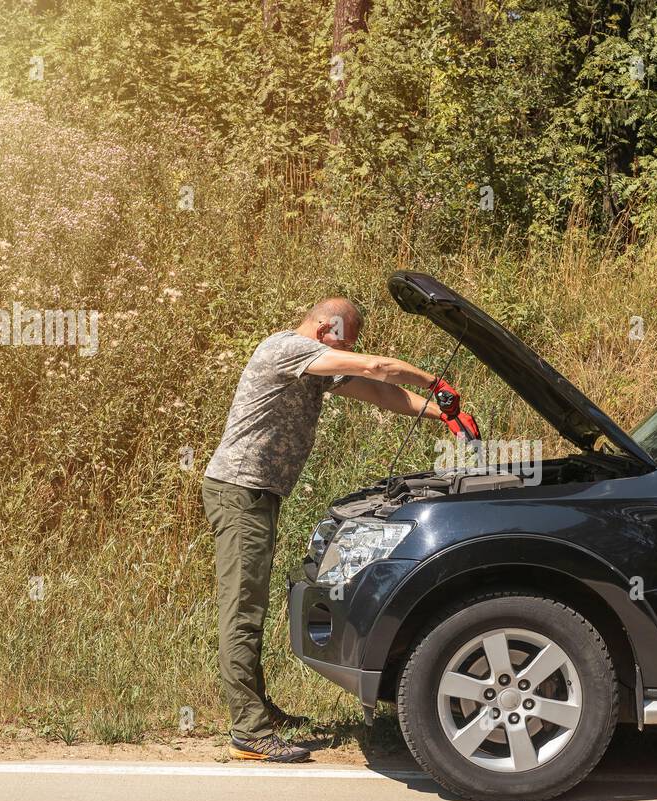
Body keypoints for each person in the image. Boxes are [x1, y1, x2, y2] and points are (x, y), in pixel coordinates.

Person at [202, 298, 479, 761]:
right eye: (344, 340)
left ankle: (257, 712)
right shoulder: (285, 348)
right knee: (242, 607)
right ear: (323, 326)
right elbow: (377, 367)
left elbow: (377, 391)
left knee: (251, 602)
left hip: (255, 492)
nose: (349, 350)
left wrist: (440, 414)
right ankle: (249, 731)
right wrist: (435, 382)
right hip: (239, 491)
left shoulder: (314, 365)